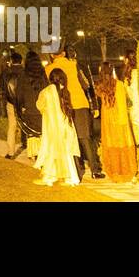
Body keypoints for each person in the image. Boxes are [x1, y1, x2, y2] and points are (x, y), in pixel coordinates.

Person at [45, 47, 103, 179]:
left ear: (52, 55)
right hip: (79, 104)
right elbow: (86, 84)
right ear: (64, 53)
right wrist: (94, 105)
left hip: (62, 107)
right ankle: (95, 170)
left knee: (71, 139)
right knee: (85, 138)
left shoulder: (48, 69)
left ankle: (77, 170)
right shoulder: (74, 64)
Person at [34, 68, 81, 186]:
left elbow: (39, 105)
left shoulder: (47, 91)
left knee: (51, 151)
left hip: (52, 127)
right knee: (66, 152)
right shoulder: (64, 91)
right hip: (65, 126)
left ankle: (50, 177)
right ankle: (71, 178)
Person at [96, 62, 138, 182]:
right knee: (122, 144)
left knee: (111, 144)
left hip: (107, 120)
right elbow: (121, 104)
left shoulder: (100, 86)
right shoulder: (118, 85)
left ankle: (113, 170)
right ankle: (126, 171)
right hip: (119, 118)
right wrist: (124, 122)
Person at [17, 50, 49, 160]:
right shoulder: (43, 73)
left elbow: (19, 93)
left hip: (29, 109)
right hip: (43, 108)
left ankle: (36, 155)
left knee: (32, 133)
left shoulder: (23, 75)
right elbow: (47, 89)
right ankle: (45, 155)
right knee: (43, 132)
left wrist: (20, 107)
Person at [0, 50, 25, 159]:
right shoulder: (25, 72)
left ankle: (10, 152)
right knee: (26, 126)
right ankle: (33, 152)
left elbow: (1, 88)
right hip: (24, 103)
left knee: (12, 126)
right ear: (21, 61)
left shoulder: (5, 73)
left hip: (10, 103)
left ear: (11, 61)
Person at [123, 50, 139, 145]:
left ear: (127, 59)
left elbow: (129, 89)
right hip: (137, 101)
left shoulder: (131, 73)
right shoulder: (138, 72)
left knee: (136, 122)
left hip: (134, 102)